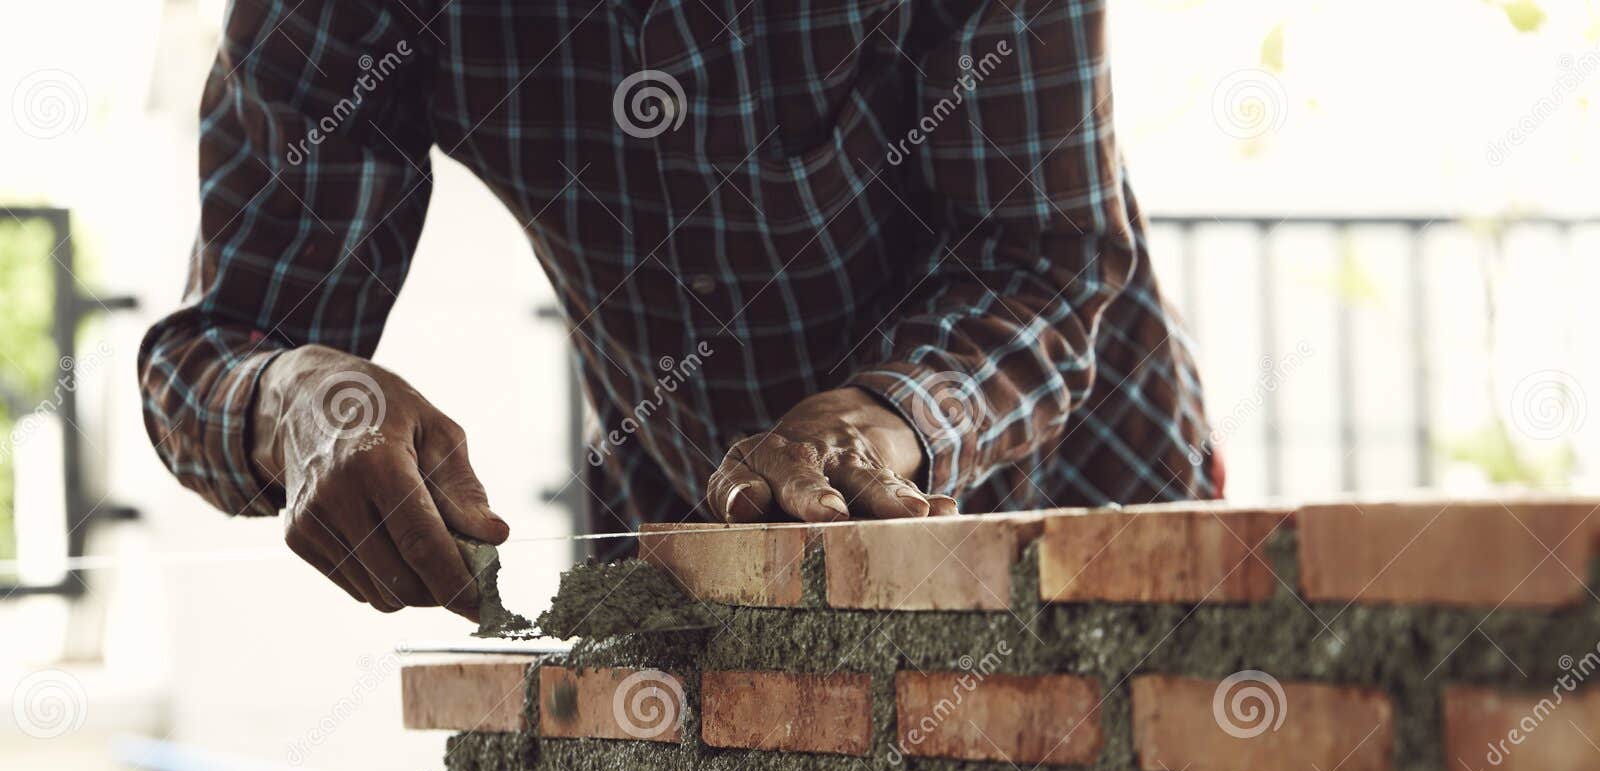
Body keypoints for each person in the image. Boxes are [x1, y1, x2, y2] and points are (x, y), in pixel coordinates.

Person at [139, 0, 1215, 620]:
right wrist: (294, 400)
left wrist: (882, 422)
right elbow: (223, 343)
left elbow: (1040, 259)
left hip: (1075, 473)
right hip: (705, 522)